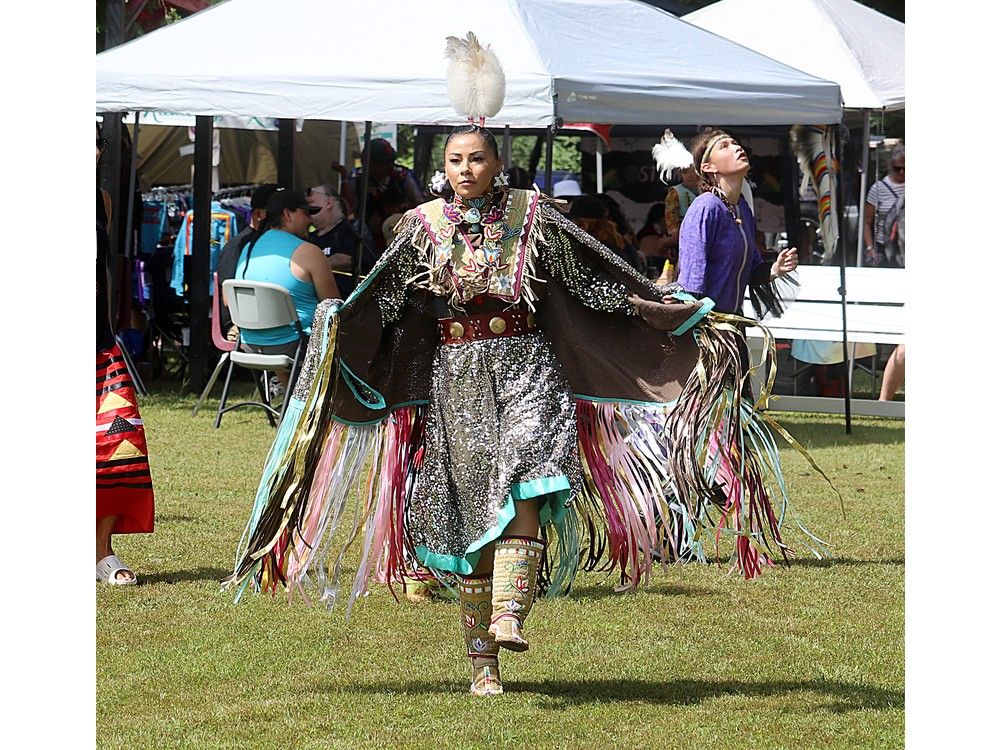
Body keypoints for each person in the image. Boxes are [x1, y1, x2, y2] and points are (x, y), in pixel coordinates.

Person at [226, 34, 827, 699]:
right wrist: (339, 321)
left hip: (527, 364)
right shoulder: (420, 227)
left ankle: (511, 613)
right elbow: (386, 298)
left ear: (495, 162)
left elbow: (592, 281)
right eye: (454, 160)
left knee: (534, 475)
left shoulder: (533, 216)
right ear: (443, 168)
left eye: (476, 158)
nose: (465, 169)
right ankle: (483, 666)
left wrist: (663, 308)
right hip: (456, 380)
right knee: (468, 521)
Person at [97, 130, 154, 585]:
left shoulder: (101, 200)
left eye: (96, 142)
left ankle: (101, 553)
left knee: (119, 448)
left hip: (99, 346)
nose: (96, 151)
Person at [678, 127, 799, 317]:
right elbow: (692, 277)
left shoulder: (742, 209)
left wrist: (776, 268)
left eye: (735, 143)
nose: (737, 148)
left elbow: (751, 268)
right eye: (724, 146)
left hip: (732, 324)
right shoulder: (706, 207)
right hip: (706, 328)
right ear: (708, 167)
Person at [233, 189, 341, 389]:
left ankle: (291, 404)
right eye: (306, 213)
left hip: (250, 343)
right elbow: (334, 307)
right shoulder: (309, 252)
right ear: (287, 214)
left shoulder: (249, 249)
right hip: (295, 345)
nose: (311, 219)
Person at [336, 138, 425, 255]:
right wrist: (344, 177)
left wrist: (401, 211)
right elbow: (348, 208)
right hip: (366, 238)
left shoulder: (402, 175)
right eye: (384, 162)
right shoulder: (357, 176)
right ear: (368, 163)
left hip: (398, 233)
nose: (389, 166)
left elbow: (421, 206)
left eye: (391, 162)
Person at [216, 183, 278, 338]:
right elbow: (229, 298)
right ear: (259, 215)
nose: (284, 218)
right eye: (277, 213)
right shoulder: (238, 246)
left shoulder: (274, 242)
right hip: (241, 325)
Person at [305, 184, 377, 299]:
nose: (308, 210)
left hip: (346, 303)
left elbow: (353, 261)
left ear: (328, 202)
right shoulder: (308, 238)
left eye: (311, 204)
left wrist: (315, 268)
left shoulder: (352, 229)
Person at [863, 144, 905, 268]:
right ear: (891, 166)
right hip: (887, 250)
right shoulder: (878, 188)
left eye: (905, 168)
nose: (902, 172)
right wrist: (870, 248)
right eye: (897, 168)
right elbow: (866, 222)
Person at [658, 165, 700, 283]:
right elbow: (671, 216)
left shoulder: (705, 190)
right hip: (682, 233)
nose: (691, 176)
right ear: (681, 174)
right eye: (686, 172)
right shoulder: (675, 192)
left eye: (694, 172)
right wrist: (675, 233)